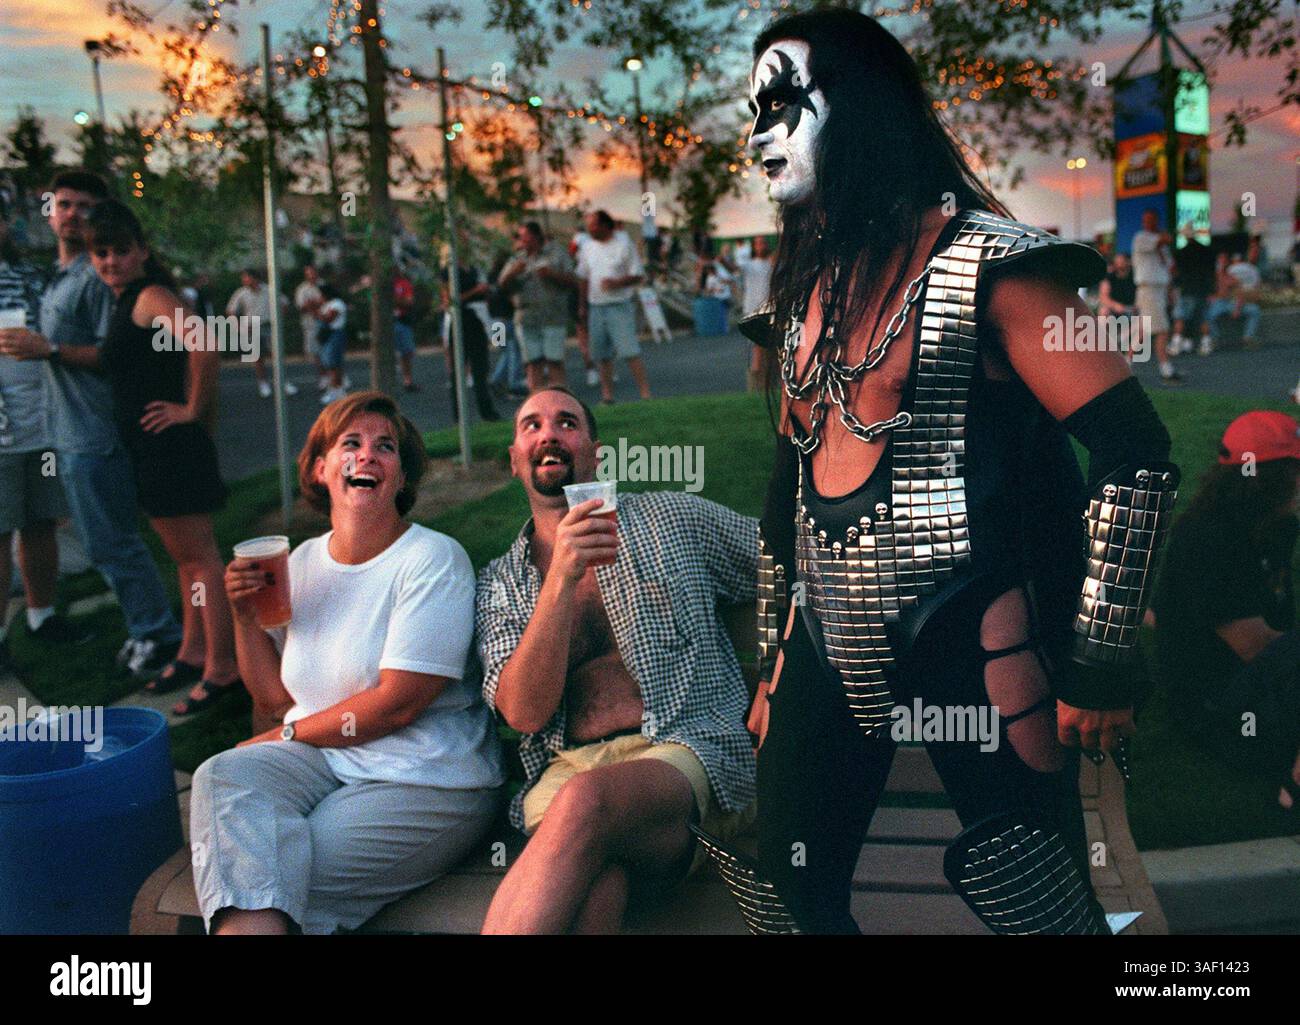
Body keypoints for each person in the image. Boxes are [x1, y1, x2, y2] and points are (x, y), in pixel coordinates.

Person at [722, 9, 1179, 935]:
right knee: (786, 891)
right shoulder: (806, 295)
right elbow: (787, 500)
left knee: (1035, 899)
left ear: (861, 111)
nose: (759, 133)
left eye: (782, 103)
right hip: (827, 639)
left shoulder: (999, 270)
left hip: (976, 627)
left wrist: (1098, 654)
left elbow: (1136, 454)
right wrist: (770, 662)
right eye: (753, 108)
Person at [191, 391, 504, 934]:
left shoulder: (432, 560)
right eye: (350, 444)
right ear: (320, 468)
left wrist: (281, 739)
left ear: (401, 477)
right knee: (224, 772)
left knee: (283, 873)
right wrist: (244, 619)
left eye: (385, 447)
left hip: (423, 778)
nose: (367, 456)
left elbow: (394, 707)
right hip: (325, 762)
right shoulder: (299, 563)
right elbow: (274, 701)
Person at [475, 388, 758, 933]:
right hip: (566, 769)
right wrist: (560, 578)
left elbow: (787, 562)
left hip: (684, 752)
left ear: (596, 453)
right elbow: (524, 715)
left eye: (566, 423)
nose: (549, 434)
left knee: (585, 806)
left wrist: (778, 673)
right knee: (599, 892)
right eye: (531, 425)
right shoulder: (501, 583)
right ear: (515, 460)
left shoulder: (670, 519)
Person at [0, 170, 182, 679]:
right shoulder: (57, 274)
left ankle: (158, 634)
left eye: (85, 205)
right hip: (66, 430)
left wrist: (49, 348)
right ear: (49, 210)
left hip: (96, 431)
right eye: (64, 204)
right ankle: (149, 629)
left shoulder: (98, 275)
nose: (73, 213)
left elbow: (114, 355)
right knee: (105, 542)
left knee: (113, 543)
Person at [84, 200, 241, 715]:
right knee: (184, 564)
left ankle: (224, 668)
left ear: (142, 253)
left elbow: (205, 346)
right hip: (149, 448)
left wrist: (190, 410)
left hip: (171, 445)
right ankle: (193, 651)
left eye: (120, 251)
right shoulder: (124, 298)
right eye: (101, 253)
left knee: (201, 561)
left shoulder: (151, 296)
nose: (110, 261)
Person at [1154, 412, 1299, 812]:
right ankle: (1293, 789)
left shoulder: (1275, 528)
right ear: (1269, 476)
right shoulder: (1211, 538)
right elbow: (1255, 647)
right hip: (1218, 705)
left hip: (1261, 682)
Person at [0, 201, 90, 670]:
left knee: (40, 525)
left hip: (43, 425)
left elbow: (56, 333)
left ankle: (42, 615)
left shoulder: (34, 277)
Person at [576, 211, 650, 405]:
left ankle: (645, 394)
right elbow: (583, 277)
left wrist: (617, 282)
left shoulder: (624, 244)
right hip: (596, 306)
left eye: (593, 225)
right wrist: (582, 305)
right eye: (589, 225)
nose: (590, 229)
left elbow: (638, 275)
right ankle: (607, 396)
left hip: (619, 305)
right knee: (601, 353)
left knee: (629, 350)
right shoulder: (587, 247)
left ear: (605, 226)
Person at [499, 222, 578, 393]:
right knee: (531, 361)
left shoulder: (556, 253)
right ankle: (534, 400)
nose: (521, 240)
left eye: (524, 236)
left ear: (535, 236)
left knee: (554, 360)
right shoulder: (517, 259)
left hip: (552, 315)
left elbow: (573, 281)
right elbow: (501, 284)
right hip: (525, 316)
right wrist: (513, 272)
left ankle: (561, 400)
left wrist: (551, 274)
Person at [440, 255, 501, 424]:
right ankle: (459, 415)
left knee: (481, 367)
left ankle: (487, 410)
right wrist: (475, 291)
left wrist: (485, 292)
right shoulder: (448, 272)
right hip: (459, 320)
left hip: (478, 318)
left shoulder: (475, 269)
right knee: (458, 370)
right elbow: (448, 301)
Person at [227, 268, 298, 399]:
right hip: (251, 326)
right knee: (258, 357)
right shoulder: (241, 293)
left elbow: (284, 304)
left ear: (254, 278)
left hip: (269, 325)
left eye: (246, 277)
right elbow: (231, 311)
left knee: (276, 355)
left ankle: (283, 383)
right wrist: (238, 326)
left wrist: (279, 319)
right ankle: (263, 384)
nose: (243, 280)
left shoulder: (269, 290)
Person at [1131, 208, 1181, 383]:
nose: (1149, 223)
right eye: (1146, 219)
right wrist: (1165, 234)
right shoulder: (1141, 238)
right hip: (1149, 290)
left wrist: (1169, 291)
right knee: (1162, 330)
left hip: (1158, 290)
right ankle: (1166, 370)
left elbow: (1170, 268)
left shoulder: (1163, 247)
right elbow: (1163, 240)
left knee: (1142, 331)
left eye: (1152, 219)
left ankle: (1123, 366)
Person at [732, 236, 776, 391]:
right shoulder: (749, 264)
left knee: (772, 348)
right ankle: (755, 384)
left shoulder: (774, 263)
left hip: (771, 309)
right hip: (753, 310)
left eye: (763, 242)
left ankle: (767, 383)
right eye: (758, 243)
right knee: (756, 347)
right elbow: (734, 268)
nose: (761, 246)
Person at [486, 251, 528, 399]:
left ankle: (497, 379)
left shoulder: (490, 278)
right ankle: (510, 381)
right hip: (507, 319)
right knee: (513, 350)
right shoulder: (507, 282)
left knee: (504, 351)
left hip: (494, 321)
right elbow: (513, 300)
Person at [1171, 227, 1215, 357]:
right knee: (1203, 318)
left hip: (1186, 289)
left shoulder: (1180, 253)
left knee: (1181, 317)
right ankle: (1206, 343)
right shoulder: (1206, 251)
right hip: (1203, 289)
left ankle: (1176, 343)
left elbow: (1176, 272)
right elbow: (1210, 272)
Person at [1208, 252, 1263, 350]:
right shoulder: (1211, 278)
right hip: (1218, 304)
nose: (1222, 264)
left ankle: (1248, 337)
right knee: (1208, 315)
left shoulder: (1232, 278)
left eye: (1224, 262)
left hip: (1231, 303)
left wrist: (1237, 308)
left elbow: (1239, 294)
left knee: (1254, 310)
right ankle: (1214, 339)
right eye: (1220, 262)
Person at [315, 282, 349, 405]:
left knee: (333, 364)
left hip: (335, 334)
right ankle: (335, 390)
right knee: (329, 363)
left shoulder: (337, 304)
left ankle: (336, 391)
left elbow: (329, 318)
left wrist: (316, 312)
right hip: (327, 336)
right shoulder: (327, 305)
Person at [293, 265, 326, 391]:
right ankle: (323, 376)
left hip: (326, 321)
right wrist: (315, 304)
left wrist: (312, 303)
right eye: (309, 273)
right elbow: (301, 307)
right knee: (316, 351)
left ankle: (336, 377)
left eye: (313, 272)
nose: (311, 275)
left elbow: (327, 302)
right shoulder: (302, 289)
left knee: (328, 349)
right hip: (310, 324)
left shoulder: (324, 285)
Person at [392, 267, 420, 393]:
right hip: (388, 322)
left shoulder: (403, 284)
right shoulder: (380, 284)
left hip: (402, 321)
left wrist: (391, 299)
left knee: (406, 352)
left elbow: (409, 301)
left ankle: (407, 380)